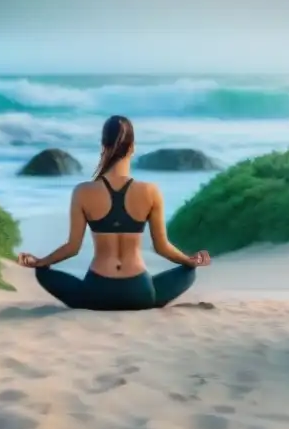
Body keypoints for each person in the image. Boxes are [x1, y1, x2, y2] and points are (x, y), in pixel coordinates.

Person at [16, 114, 210, 310]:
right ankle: (150, 298)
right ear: (133, 148)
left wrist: (41, 262)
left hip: (97, 291)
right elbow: (162, 247)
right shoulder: (150, 191)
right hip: (138, 291)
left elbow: (72, 247)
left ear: (103, 147)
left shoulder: (83, 192)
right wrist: (189, 260)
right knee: (188, 272)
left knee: (43, 273)